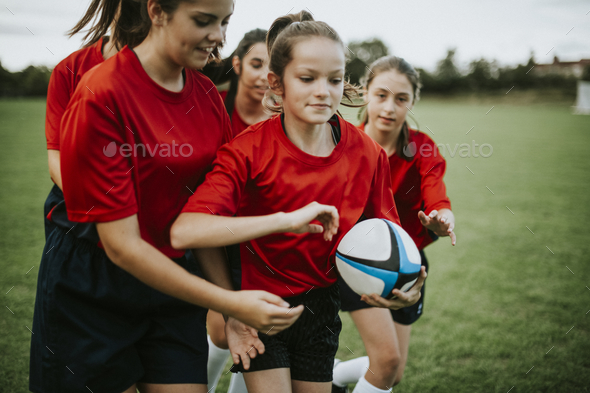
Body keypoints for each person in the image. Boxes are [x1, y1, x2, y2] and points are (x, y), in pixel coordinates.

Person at [30, 1, 301, 392]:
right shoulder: (99, 94)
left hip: (174, 283)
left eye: (225, 22)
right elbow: (122, 246)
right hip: (93, 288)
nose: (219, 36)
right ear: (157, 12)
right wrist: (233, 303)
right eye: (203, 21)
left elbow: (201, 218)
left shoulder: (207, 95)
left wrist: (231, 308)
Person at [170, 11, 427, 393]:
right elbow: (188, 230)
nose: (324, 90)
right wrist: (284, 221)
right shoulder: (246, 151)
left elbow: (385, 235)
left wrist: (403, 278)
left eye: (335, 79)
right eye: (307, 78)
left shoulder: (368, 154)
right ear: (277, 83)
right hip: (259, 305)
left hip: (321, 308)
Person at [333, 56, 456, 393]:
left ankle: (331, 377)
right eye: (381, 95)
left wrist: (442, 218)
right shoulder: (343, 143)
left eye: (401, 99)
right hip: (358, 261)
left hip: (409, 263)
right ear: (366, 94)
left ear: (412, 102)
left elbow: (437, 195)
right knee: (386, 363)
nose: (389, 107)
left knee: (394, 370)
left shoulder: (422, 147)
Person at [200, 28, 272, 393]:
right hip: (214, 229)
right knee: (219, 326)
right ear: (238, 64)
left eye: (271, 66)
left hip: (264, 235)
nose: (263, 75)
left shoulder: (283, 117)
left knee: (258, 332)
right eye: (256, 63)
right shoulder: (213, 106)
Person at [43, 0, 123, 240]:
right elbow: (56, 157)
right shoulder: (70, 69)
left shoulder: (174, 73)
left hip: (147, 221)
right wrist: (103, 211)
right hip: (79, 220)